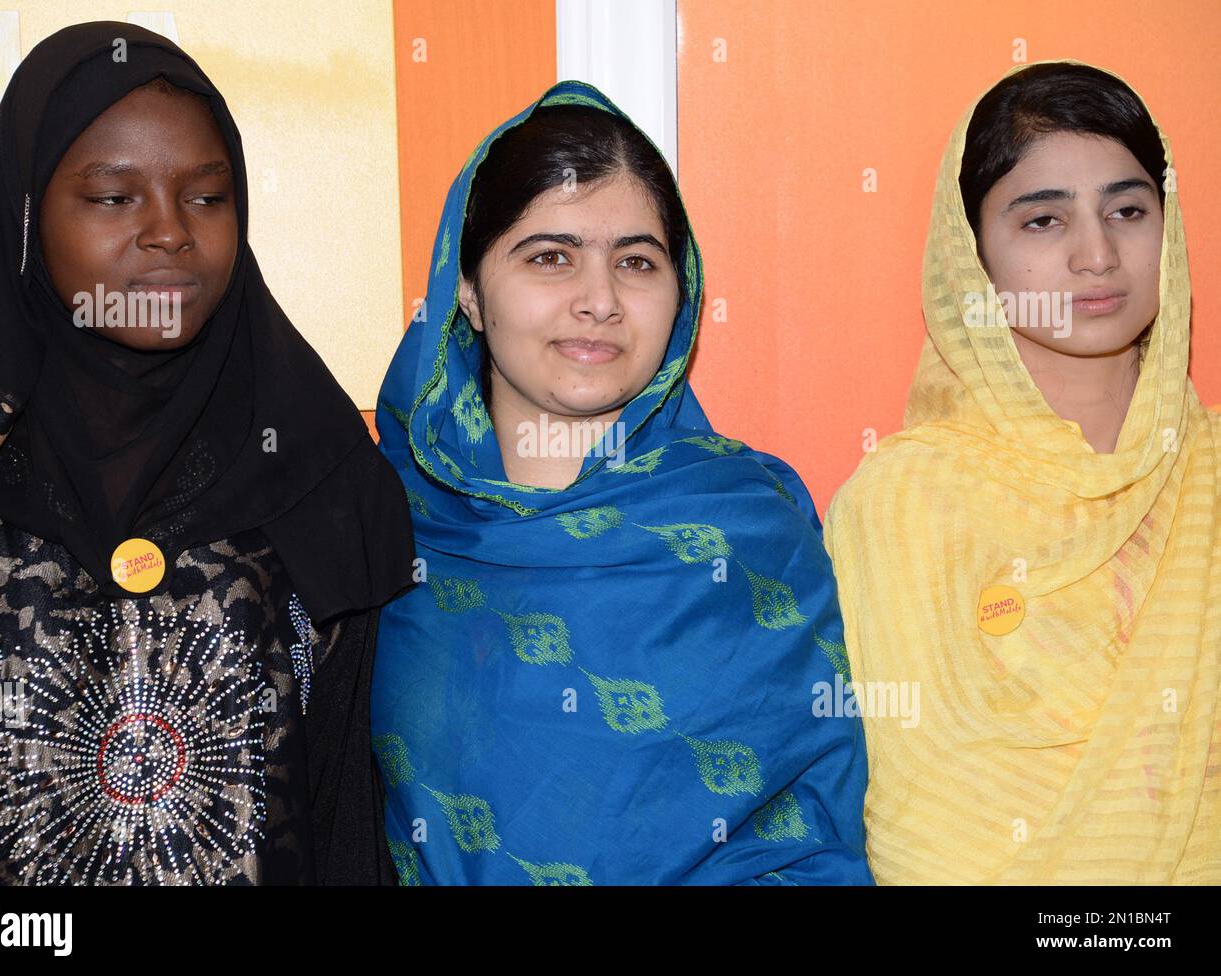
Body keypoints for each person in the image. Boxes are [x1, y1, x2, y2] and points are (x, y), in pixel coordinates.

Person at [0, 21, 415, 885]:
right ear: (28, 219)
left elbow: (352, 810)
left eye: (206, 196)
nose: (168, 233)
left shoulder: (322, 468)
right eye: (114, 197)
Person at [372, 81, 872, 885]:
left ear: (681, 296)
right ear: (465, 289)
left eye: (636, 262)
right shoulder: (384, 529)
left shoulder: (750, 531)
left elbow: (812, 833)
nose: (599, 301)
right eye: (550, 257)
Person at [824, 60, 1220, 884]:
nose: (1098, 254)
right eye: (1043, 222)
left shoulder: (1210, 477)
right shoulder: (906, 503)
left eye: (1129, 210)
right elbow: (920, 820)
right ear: (971, 257)